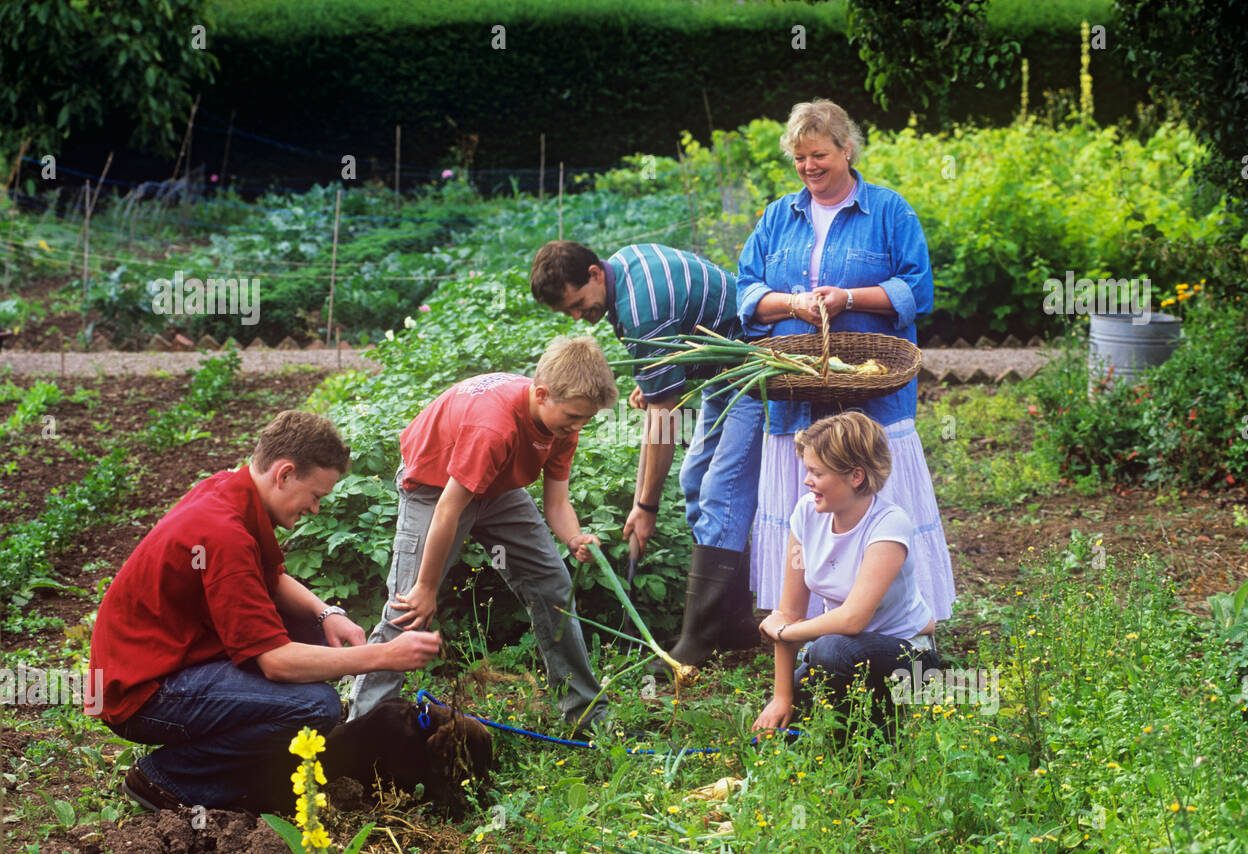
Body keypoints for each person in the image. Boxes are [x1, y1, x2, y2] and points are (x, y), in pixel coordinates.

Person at [87, 410, 443, 812]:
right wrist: (384, 656)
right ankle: (169, 778)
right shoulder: (223, 533)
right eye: (316, 495)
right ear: (284, 473)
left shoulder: (229, 488)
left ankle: (247, 766)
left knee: (313, 636)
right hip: (141, 693)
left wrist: (327, 613)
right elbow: (275, 663)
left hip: (159, 659)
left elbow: (268, 577)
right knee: (315, 705)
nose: (315, 509)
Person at [737, 99, 955, 628]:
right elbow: (746, 293)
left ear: (847, 150)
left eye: (820, 155)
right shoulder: (777, 216)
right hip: (795, 391)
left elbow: (917, 290)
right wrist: (794, 304)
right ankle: (801, 623)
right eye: (799, 158)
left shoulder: (888, 211)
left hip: (870, 390)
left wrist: (849, 298)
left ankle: (902, 624)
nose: (809, 167)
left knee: (875, 496)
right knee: (805, 502)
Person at [347, 335, 619, 730]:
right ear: (541, 394)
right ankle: (361, 727)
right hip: (434, 489)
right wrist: (426, 587)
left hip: (497, 487)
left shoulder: (561, 422)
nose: (577, 428)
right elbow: (448, 510)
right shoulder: (493, 427)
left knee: (553, 584)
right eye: (573, 418)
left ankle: (587, 714)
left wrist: (574, 538)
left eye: (585, 420)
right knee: (408, 609)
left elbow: (557, 503)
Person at [530, 240, 765, 665]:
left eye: (580, 304)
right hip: (720, 370)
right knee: (694, 479)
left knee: (720, 492)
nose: (579, 317)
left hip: (755, 370)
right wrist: (659, 383)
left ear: (594, 274)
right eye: (569, 313)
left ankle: (698, 639)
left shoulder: (642, 310)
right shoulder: (624, 270)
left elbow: (663, 423)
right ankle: (735, 623)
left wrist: (646, 506)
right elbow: (667, 377)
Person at [751, 412, 939, 734]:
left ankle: (876, 741)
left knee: (829, 650)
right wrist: (782, 696)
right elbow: (788, 611)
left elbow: (852, 620)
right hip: (842, 651)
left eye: (817, 472)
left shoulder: (889, 525)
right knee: (787, 726)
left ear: (856, 476)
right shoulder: (805, 515)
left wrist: (784, 632)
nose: (807, 480)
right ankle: (858, 728)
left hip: (909, 658)